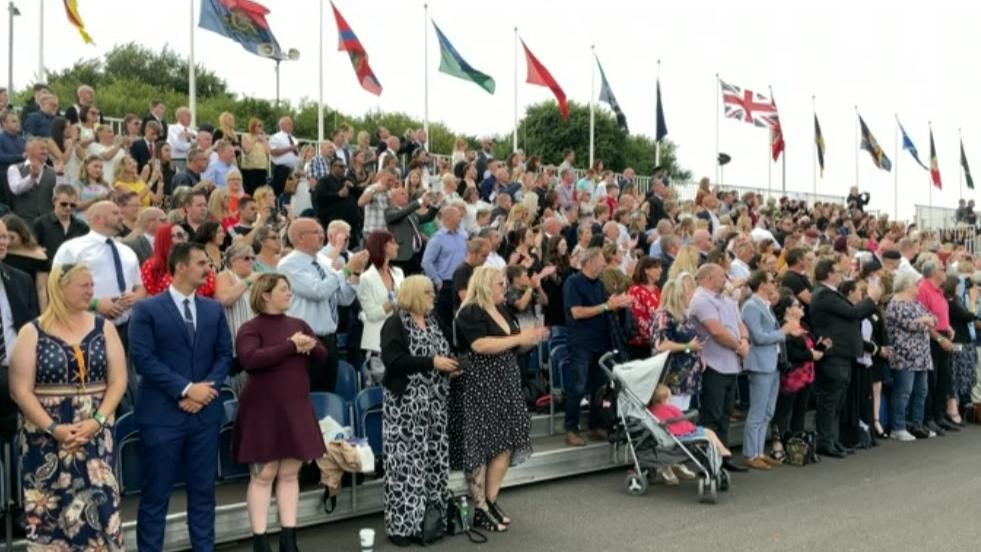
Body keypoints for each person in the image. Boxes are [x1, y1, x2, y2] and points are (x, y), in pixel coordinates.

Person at [10, 263, 127, 550]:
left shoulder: (104, 327)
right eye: (83, 285)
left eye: (91, 284)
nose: (91, 291)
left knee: (102, 502)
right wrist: (53, 428)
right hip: (44, 438)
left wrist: (98, 420)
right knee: (51, 510)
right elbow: (20, 390)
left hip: (95, 433)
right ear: (60, 288)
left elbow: (118, 379)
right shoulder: (32, 332)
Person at [129, 242, 232, 552]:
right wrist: (187, 389)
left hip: (204, 415)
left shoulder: (213, 308)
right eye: (201, 263)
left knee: (203, 491)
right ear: (181, 266)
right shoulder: (147, 309)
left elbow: (224, 355)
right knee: (156, 493)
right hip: (161, 415)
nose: (208, 268)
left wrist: (202, 392)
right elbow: (143, 359)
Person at [233, 274, 326, 552]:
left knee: (289, 472)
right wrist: (291, 346)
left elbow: (322, 356)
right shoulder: (250, 328)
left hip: (295, 405)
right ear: (265, 294)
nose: (289, 294)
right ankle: (260, 540)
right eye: (284, 289)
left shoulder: (298, 324)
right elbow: (249, 360)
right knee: (264, 474)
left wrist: (312, 346)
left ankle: (289, 537)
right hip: (263, 409)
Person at [451, 266, 547, 532]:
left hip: (506, 381)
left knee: (505, 442)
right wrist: (519, 337)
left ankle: (490, 502)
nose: (504, 288)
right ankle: (479, 505)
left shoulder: (503, 309)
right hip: (480, 383)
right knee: (480, 445)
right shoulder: (471, 311)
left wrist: (531, 338)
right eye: (499, 283)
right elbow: (480, 345)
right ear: (484, 285)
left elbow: (512, 343)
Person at [379, 275, 459, 546]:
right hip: (406, 408)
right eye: (427, 292)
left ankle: (431, 521)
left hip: (435, 405)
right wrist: (432, 362)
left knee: (435, 462)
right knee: (405, 468)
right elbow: (394, 361)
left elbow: (445, 353)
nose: (433, 296)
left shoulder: (434, 322)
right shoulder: (395, 324)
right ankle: (402, 527)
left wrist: (451, 366)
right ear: (412, 294)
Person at [277, 218, 368, 392]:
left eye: (321, 231)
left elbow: (343, 299)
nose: (321, 236)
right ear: (300, 237)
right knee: (308, 395)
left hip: (329, 339)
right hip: (306, 340)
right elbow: (318, 291)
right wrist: (347, 270)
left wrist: (355, 274)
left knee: (327, 394)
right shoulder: (289, 264)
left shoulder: (323, 261)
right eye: (316, 232)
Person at [808, 258, 881, 457]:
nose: (841, 275)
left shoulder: (831, 294)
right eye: (838, 271)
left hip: (843, 353)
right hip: (834, 353)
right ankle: (825, 441)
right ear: (829, 274)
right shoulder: (823, 294)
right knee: (830, 400)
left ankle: (833, 439)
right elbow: (853, 312)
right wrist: (871, 298)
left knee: (838, 399)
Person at [562, 247, 633, 446]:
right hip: (581, 343)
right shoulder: (573, 283)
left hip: (601, 342)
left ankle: (596, 425)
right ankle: (571, 428)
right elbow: (576, 312)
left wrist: (617, 305)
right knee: (577, 387)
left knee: (600, 388)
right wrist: (605, 306)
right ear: (590, 261)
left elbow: (605, 308)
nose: (604, 264)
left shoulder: (600, 285)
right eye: (601, 260)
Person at [688, 263, 750, 473]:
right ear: (709, 279)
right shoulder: (701, 299)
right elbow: (716, 331)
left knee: (724, 414)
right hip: (713, 365)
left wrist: (744, 341)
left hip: (731, 364)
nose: (726, 280)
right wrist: (738, 346)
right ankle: (707, 461)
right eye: (721, 276)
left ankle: (722, 457)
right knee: (711, 415)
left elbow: (740, 323)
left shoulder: (726, 298)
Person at [740, 270, 798, 470]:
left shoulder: (765, 306)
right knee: (758, 410)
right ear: (762, 284)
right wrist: (783, 332)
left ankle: (758, 451)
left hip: (771, 362)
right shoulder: (751, 306)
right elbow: (758, 336)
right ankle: (750, 453)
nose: (775, 284)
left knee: (768, 410)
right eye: (772, 280)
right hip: (760, 363)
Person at [770, 290, 826, 462]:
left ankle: (796, 442)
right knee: (784, 410)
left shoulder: (804, 326)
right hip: (792, 374)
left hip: (807, 374)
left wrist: (821, 347)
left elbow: (810, 346)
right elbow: (791, 352)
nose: (802, 307)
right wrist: (811, 355)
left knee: (800, 409)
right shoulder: (783, 327)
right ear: (787, 309)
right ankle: (777, 443)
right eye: (797, 305)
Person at [886, 270, 936, 441]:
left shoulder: (915, 303)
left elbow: (933, 318)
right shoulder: (895, 304)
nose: (919, 287)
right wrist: (923, 321)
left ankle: (916, 424)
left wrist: (926, 320)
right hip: (904, 357)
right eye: (916, 283)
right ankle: (897, 427)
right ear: (906, 284)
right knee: (903, 392)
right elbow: (909, 325)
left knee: (921, 391)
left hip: (922, 356)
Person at [648, 384, 732, 483]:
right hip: (685, 433)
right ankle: (722, 450)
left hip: (670, 436)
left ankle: (671, 469)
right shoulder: (671, 408)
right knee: (709, 433)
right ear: (665, 399)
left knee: (706, 435)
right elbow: (682, 418)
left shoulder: (651, 411)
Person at [916, 259, 959, 434]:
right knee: (931, 381)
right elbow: (924, 321)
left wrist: (947, 326)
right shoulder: (923, 289)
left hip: (943, 335)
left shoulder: (939, 290)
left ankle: (940, 415)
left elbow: (939, 312)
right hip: (932, 340)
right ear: (934, 272)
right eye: (943, 269)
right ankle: (930, 418)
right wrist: (940, 339)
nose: (945, 272)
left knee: (944, 379)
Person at [356, 231, 404, 375]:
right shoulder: (366, 278)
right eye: (393, 243)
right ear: (383, 246)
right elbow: (372, 314)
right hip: (377, 342)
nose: (397, 247)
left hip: (400, 338)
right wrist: (395, 299)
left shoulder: (398, 272)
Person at [214, 243, 259, 390]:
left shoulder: (254, 280)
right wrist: (248, 281)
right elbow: (224, 299)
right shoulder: (225, 275)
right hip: (234, 349)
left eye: (253, 258)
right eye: (246, 258)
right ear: (233, 261)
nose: (251, 262)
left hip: (255, 346)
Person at [421, 204, 468, 327]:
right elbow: (426, 262)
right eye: (458, 216)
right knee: (445, 321)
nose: (461, 219)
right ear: (450, 218)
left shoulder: (463, 236)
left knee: (463, 319)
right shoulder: (437, 239)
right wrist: (437, 281)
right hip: (446, 284)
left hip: (462, 283)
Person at [141, 223, 216, 297]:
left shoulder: (195, 261)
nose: (184, 239)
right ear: (165, 239)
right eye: (179, 235)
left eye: (185, 235)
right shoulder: (151, 266)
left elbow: (210, 285)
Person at [1, 214, 50, 310]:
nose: (7, 242)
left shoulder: (38, 256)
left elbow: (41, 289)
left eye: (12, 237)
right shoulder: (2, 253)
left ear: (22, 235)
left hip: (27, 302)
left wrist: (44, 315)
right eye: (3, 237)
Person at [32, 184, 88, 256]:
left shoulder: (82, 226)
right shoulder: (40, 223)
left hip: (74, 266)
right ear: (54, 201)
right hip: (48, 266)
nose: (68, 208)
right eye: (64, 204)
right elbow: (34, 248)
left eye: (72, 205)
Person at [626, 256, 663, 360]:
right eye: (657, 267)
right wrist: (654, 336)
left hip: (656, 341)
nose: (660, 270)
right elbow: (638, 319)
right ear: (646, 270)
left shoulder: (656, 289)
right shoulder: (635, 291)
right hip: (641, 345)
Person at [240, 117, 270, 195]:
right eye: (259, 125)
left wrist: (264, 140)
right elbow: (247, 150)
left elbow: (268, 152)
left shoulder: (263, 137)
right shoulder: (245, 136)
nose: (261, 127)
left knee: (261, 191)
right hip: (250, 168)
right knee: (251, 190)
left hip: (261, 167)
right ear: (253, 126)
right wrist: (255, 139)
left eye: (262, 126)